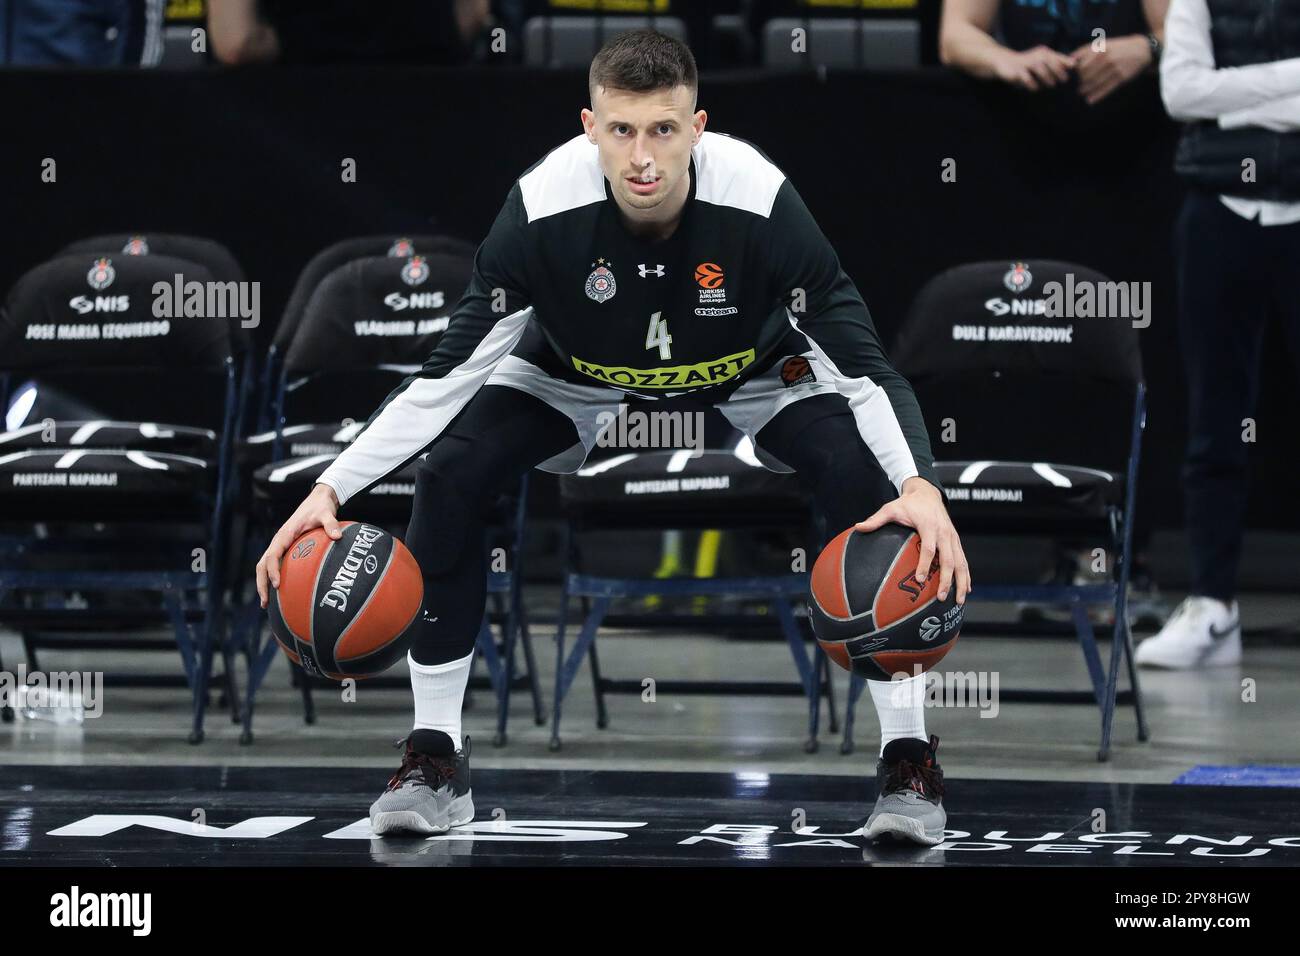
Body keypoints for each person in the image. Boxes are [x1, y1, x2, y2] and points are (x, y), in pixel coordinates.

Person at [255, 29, 971, 846]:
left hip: (754, 367)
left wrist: (922, 489)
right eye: (622, 130)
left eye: (663, 131)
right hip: (575, 369)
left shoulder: (761, 202)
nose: (642, 157)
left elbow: (867, 370)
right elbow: (444, 377)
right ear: (588, 126)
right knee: (452, 470)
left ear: (698, 128)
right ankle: (434, 759)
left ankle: (908, 762)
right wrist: (328, 491)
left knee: (857, 471)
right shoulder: (540, 210)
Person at [1136, 0, 1300, 669]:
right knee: (1214, 416)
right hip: (1218, 211)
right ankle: (1212, 604)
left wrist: (1232, 98)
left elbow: (1210, 93)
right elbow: (1182, 92)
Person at [940, 0, 1167, 104]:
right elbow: (956, 33)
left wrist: (1147, 46)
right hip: (1020, 120)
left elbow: (1184, 35)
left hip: (1130, 124)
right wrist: (1003, 59)